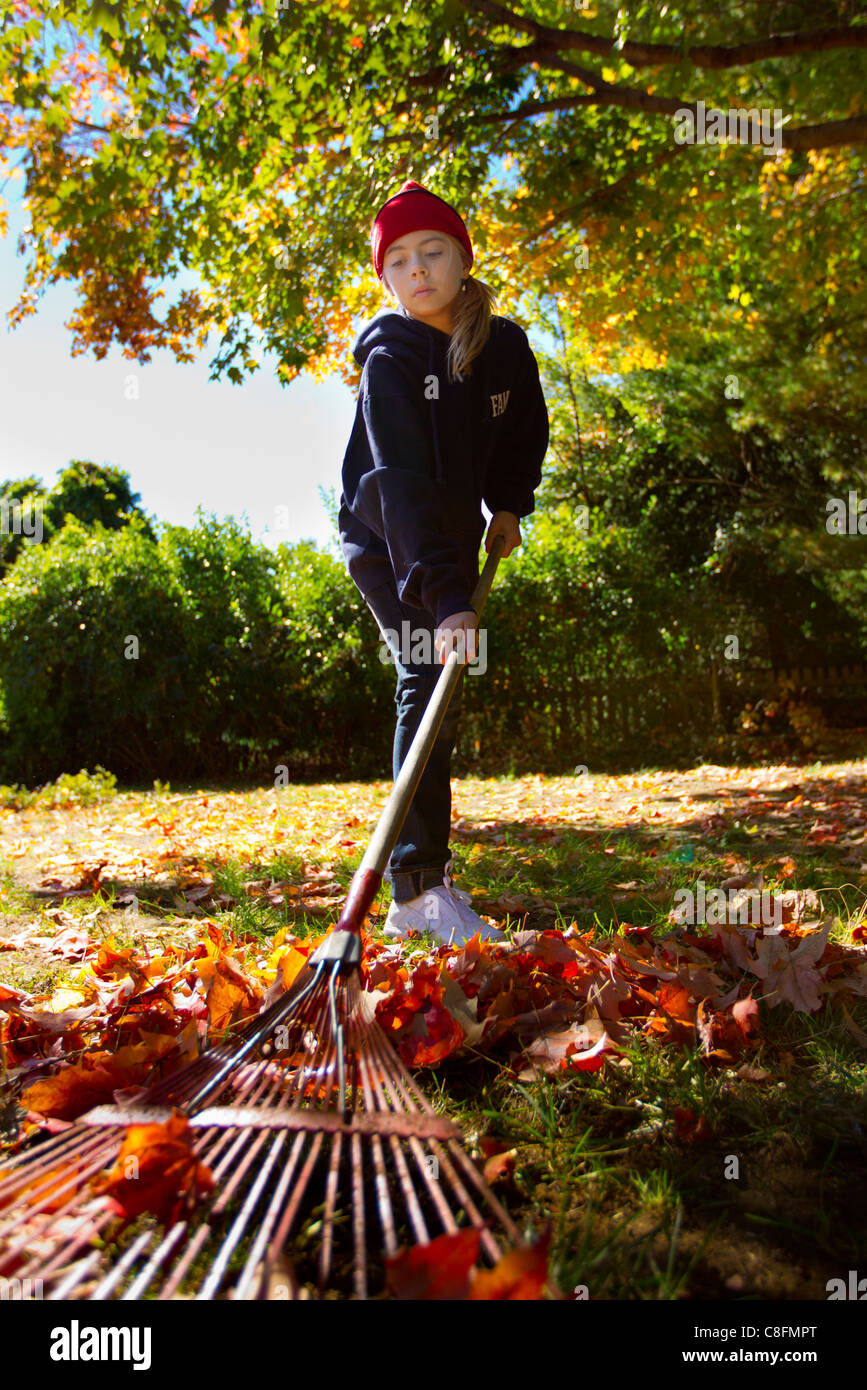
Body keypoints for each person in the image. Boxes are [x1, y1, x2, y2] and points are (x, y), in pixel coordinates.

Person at [338, 179, 549, 945]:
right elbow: (401, 486)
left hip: (457, 530)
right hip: (392, 535)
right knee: (426, 675)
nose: (417, 269)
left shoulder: (506, 348)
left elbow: (521, 433)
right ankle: (416, 890)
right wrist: (447, 592)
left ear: (463, 260)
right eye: (398, 260)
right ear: (385, 277)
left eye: (432, 251)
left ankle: (422, 885)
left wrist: (511, 503)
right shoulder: (388, 365)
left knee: (445, 691)